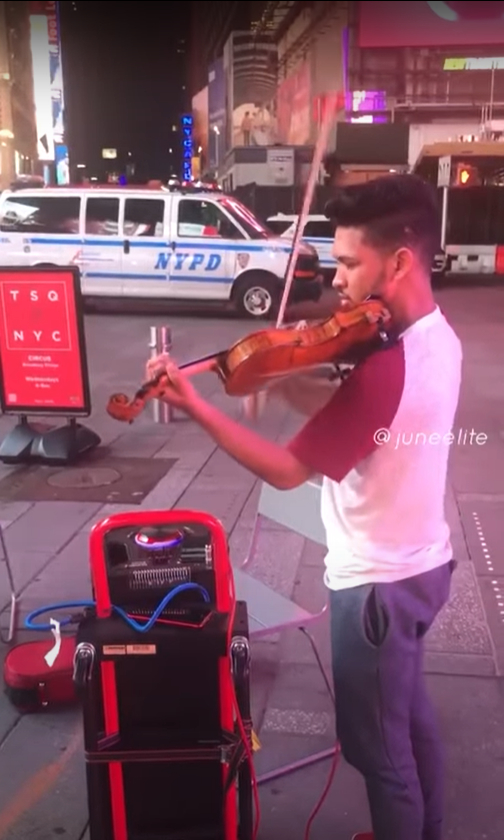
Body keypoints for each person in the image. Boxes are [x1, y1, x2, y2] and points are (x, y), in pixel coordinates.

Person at [146, 173, 463, 840]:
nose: (336, 280)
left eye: (348, 262)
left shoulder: (384, 371)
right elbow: (368, 422)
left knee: (380, 757)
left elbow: (289, 470)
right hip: (425, 566)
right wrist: (290, 378)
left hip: (376, 587)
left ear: (399, 261)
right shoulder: (436, 338)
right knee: (410, 723)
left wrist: (196, 404)